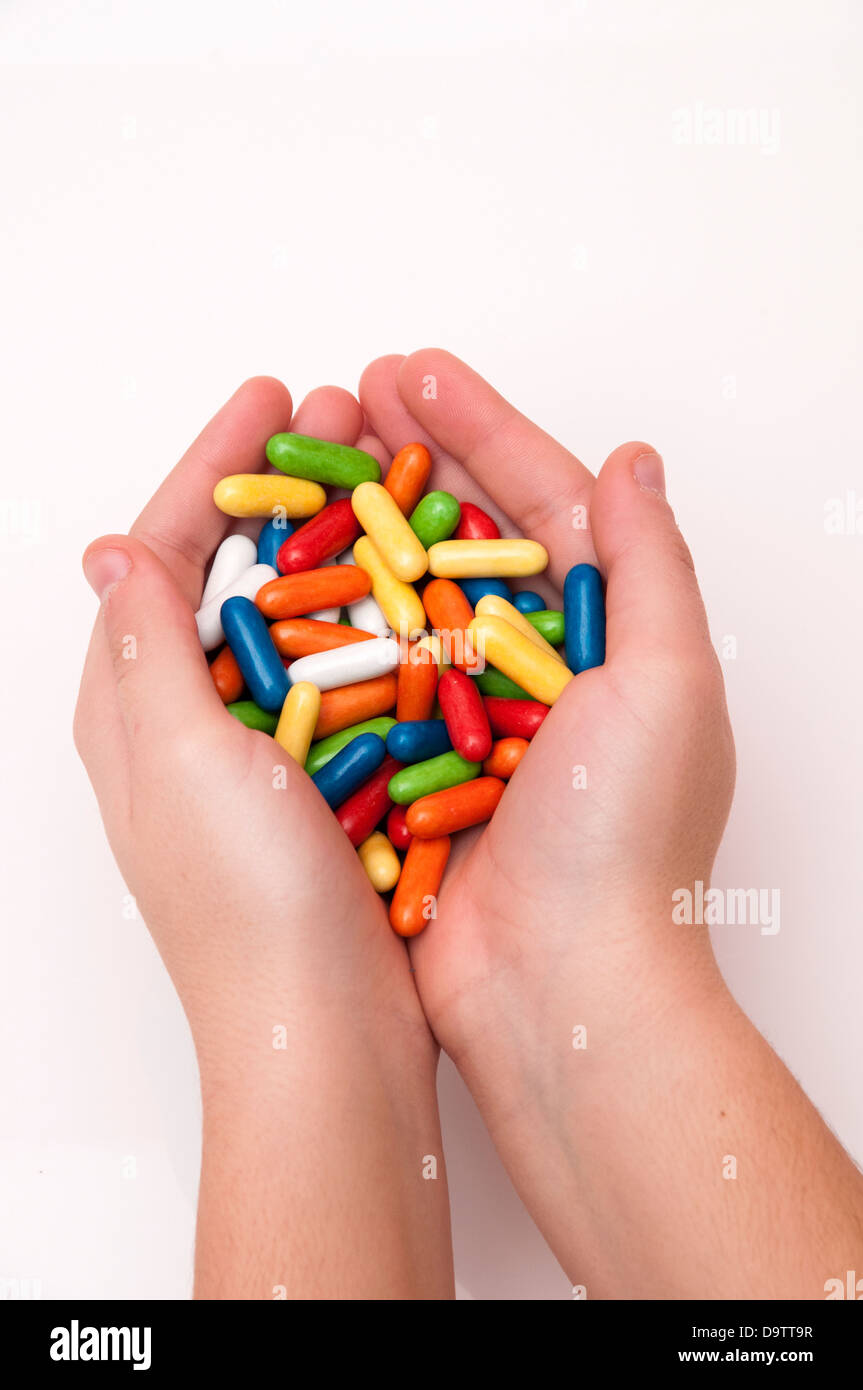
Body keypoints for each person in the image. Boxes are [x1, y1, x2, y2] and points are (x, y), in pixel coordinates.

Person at [74, 350, 863, 1300]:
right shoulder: (380, 620)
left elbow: (392, 627)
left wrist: (303, 1010)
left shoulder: (406, 624)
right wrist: (582, 971)